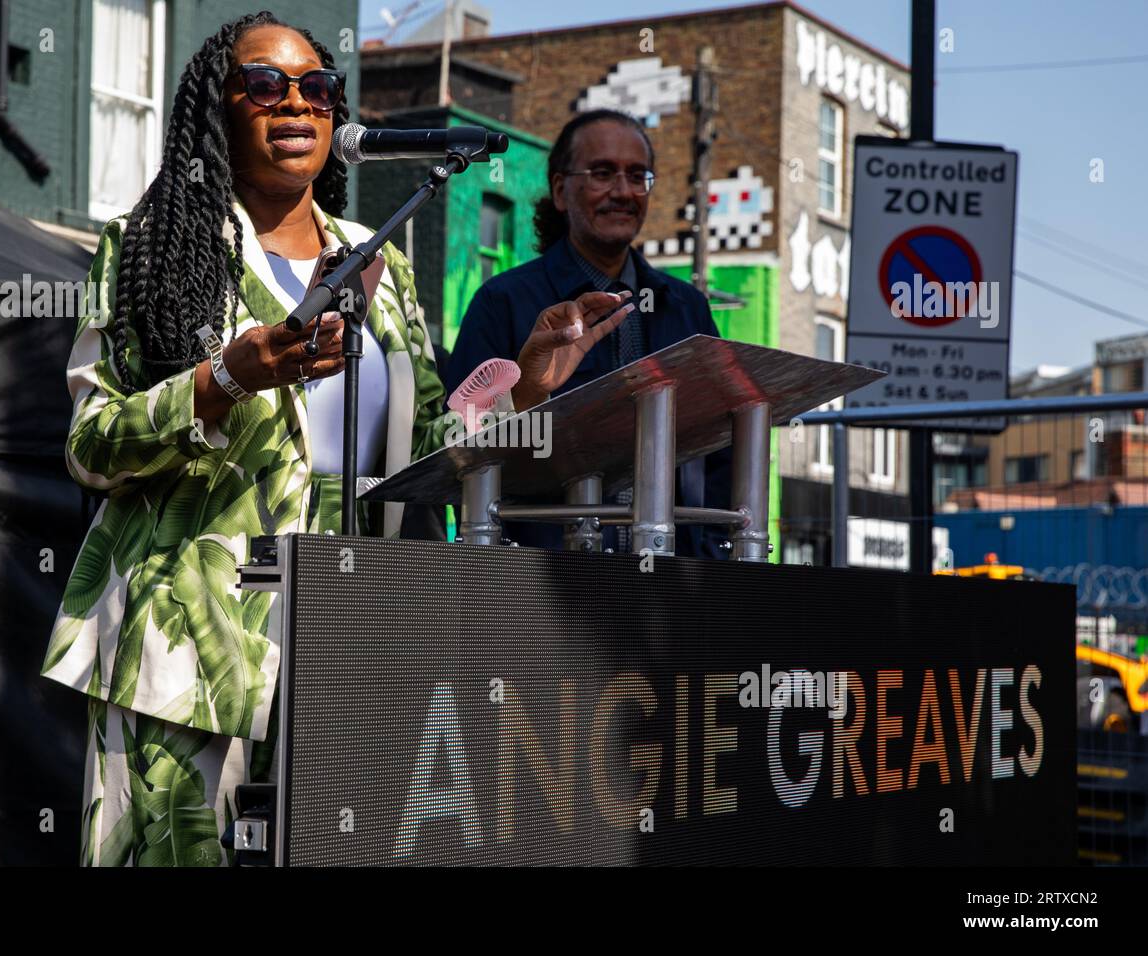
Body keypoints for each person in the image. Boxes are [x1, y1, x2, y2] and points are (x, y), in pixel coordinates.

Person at [42, 13, 632, 866]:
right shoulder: (152, 249)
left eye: (316, 89)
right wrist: (230, 378)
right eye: (265, 85)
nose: (296, 104)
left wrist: (531, 383)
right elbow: (91, 445)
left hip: (352, 643)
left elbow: (431, 449)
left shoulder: (373, 260)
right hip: (188, 647)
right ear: (219, 106)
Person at [446, 109, 733, 557]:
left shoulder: (685, 307)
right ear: (561, 190)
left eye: (638, 176)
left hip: (669, 578)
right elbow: (455, 445)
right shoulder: (504, 303)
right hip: (542, 578)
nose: (622, 191)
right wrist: (525, 393)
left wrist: (713, 555)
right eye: (602, 173)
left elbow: (722, 452)